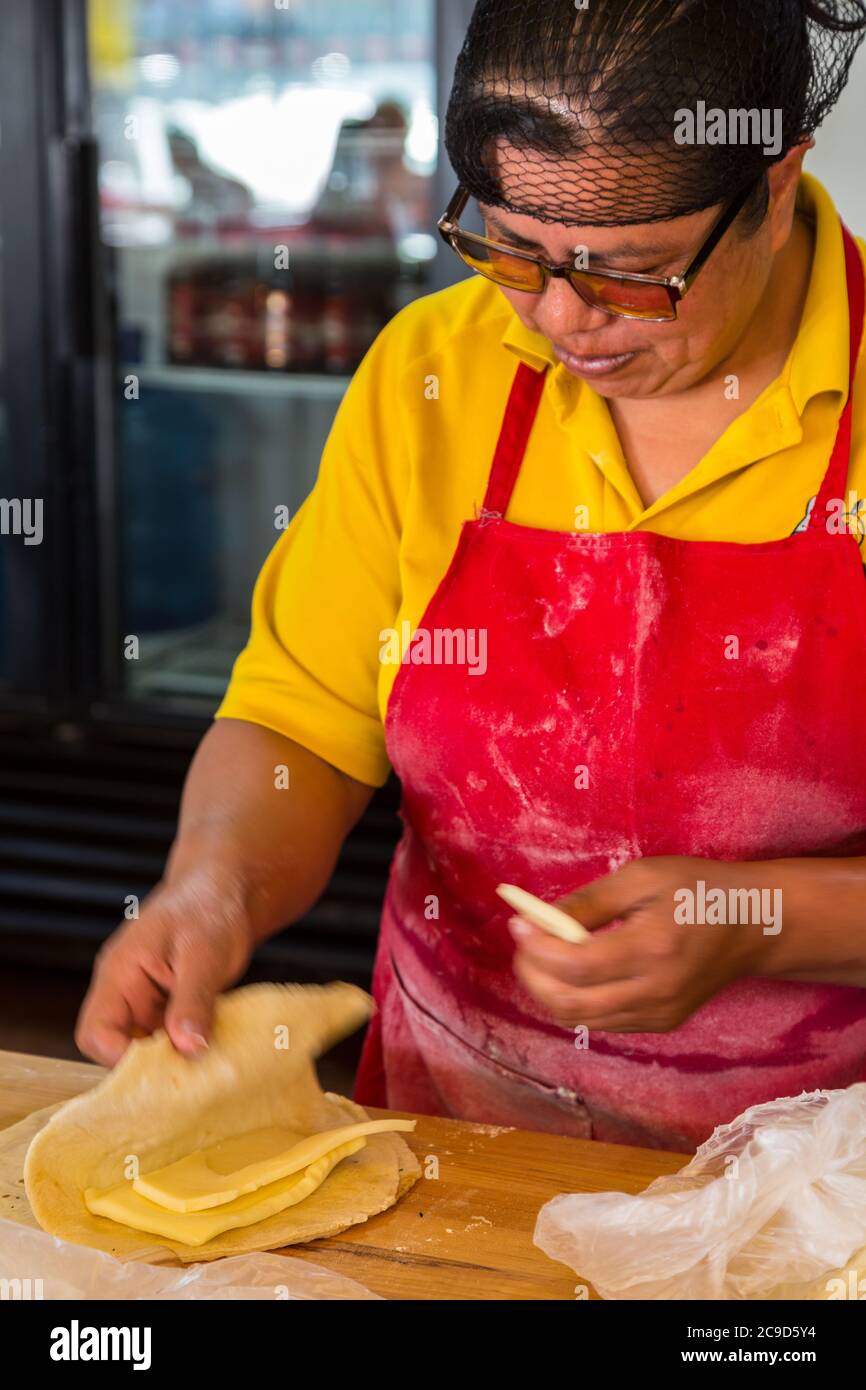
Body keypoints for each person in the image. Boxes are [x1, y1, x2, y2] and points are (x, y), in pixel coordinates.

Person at [78, 0, 866, 1153]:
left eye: (629, 275)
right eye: (509, 250)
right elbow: (302, 725)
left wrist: (765, 922)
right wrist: (212, 884)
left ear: (778, 177)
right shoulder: (432, 375)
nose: (559, 319)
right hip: (459, 1142)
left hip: (817, 1182)